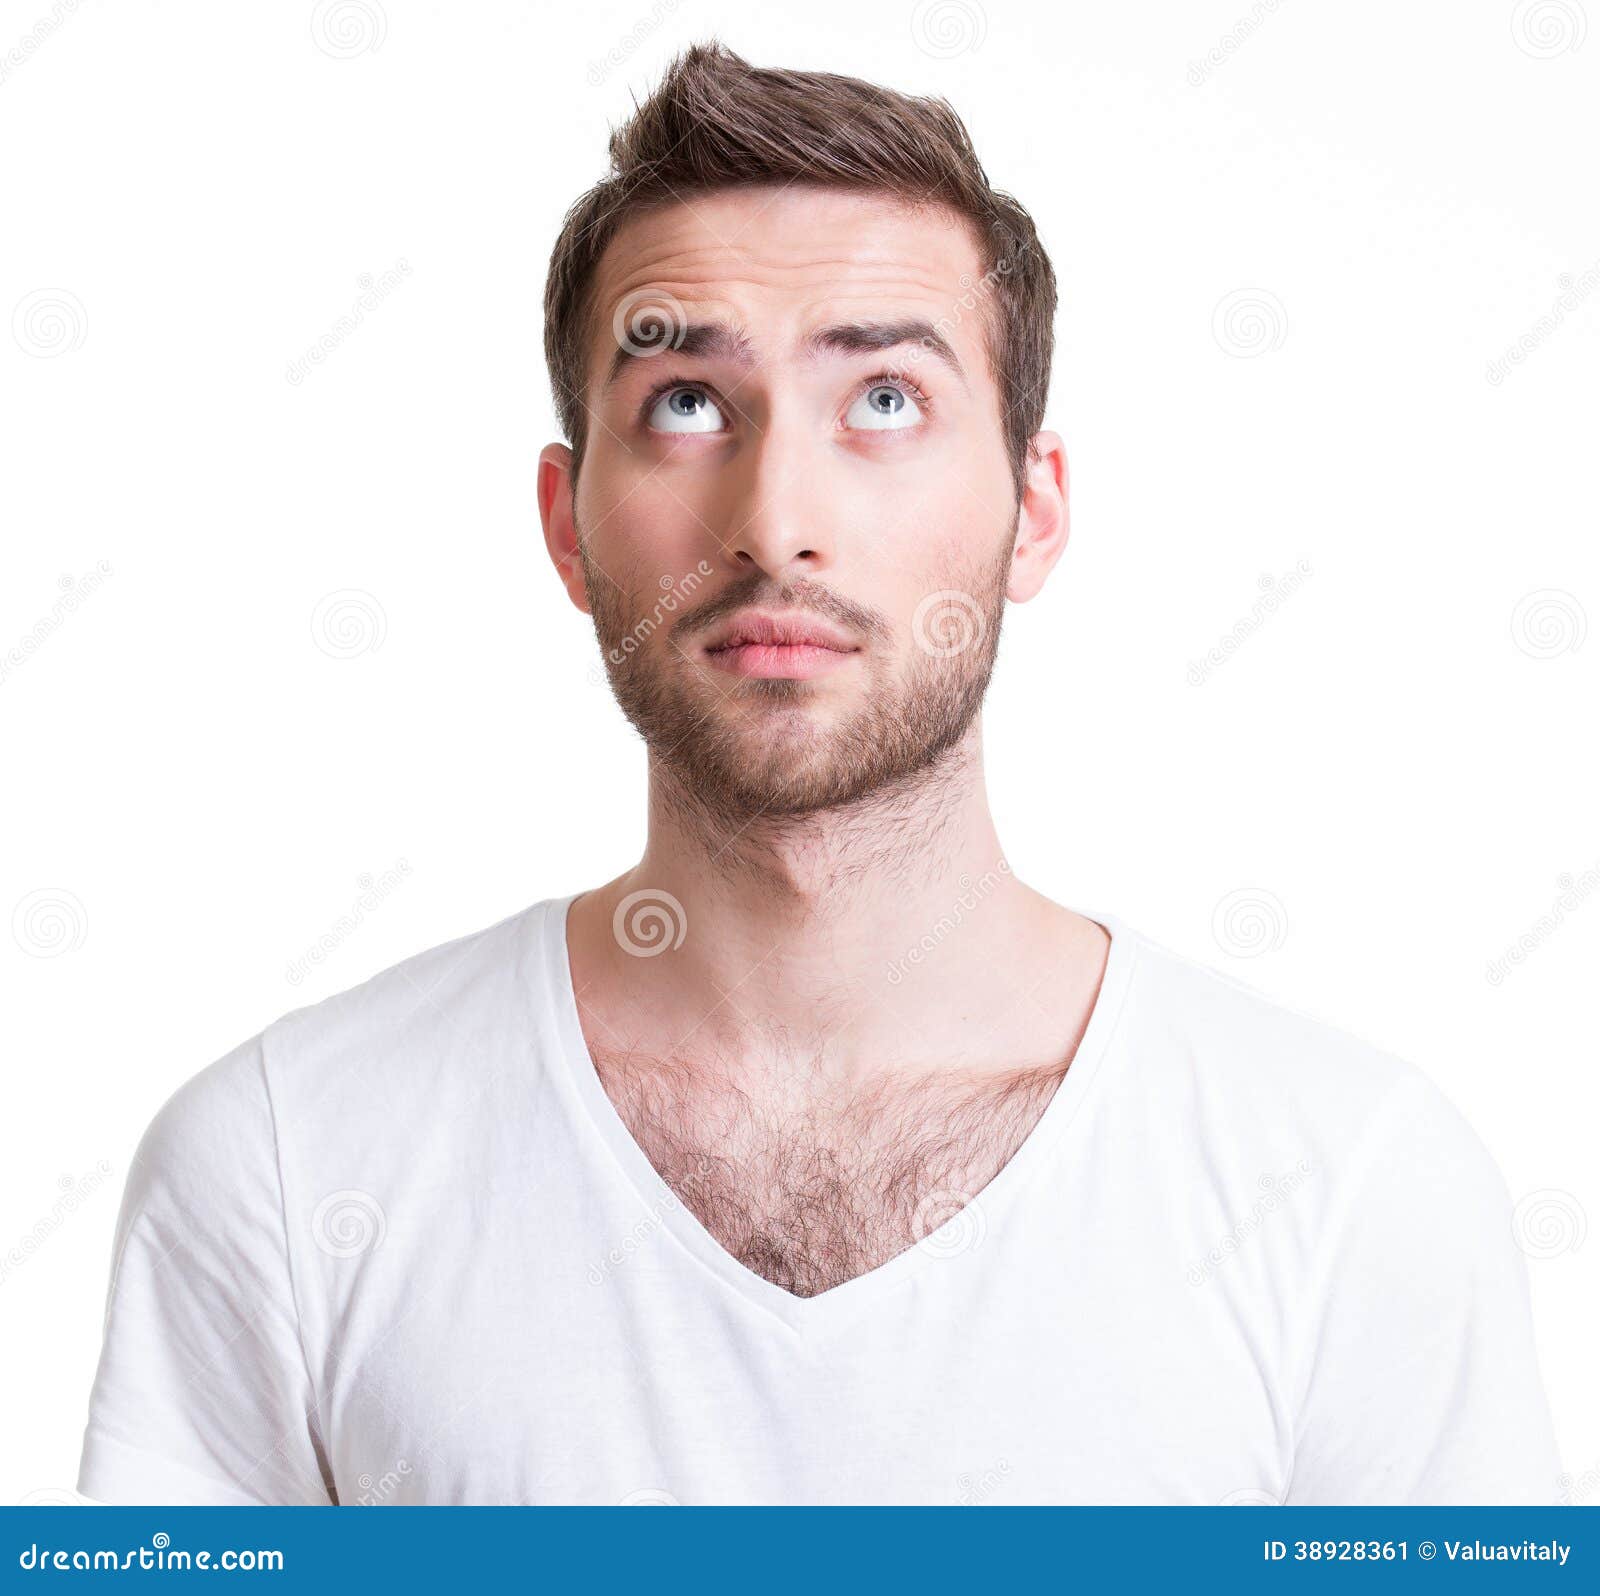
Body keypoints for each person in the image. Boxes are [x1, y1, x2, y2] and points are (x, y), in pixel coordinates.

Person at [76, 41, 1561, 1507]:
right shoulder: (285, 1165)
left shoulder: (1349, 1185)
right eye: (684, 403)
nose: (778, 519)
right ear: (566, 524)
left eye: (888, 400)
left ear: (1033, 512)